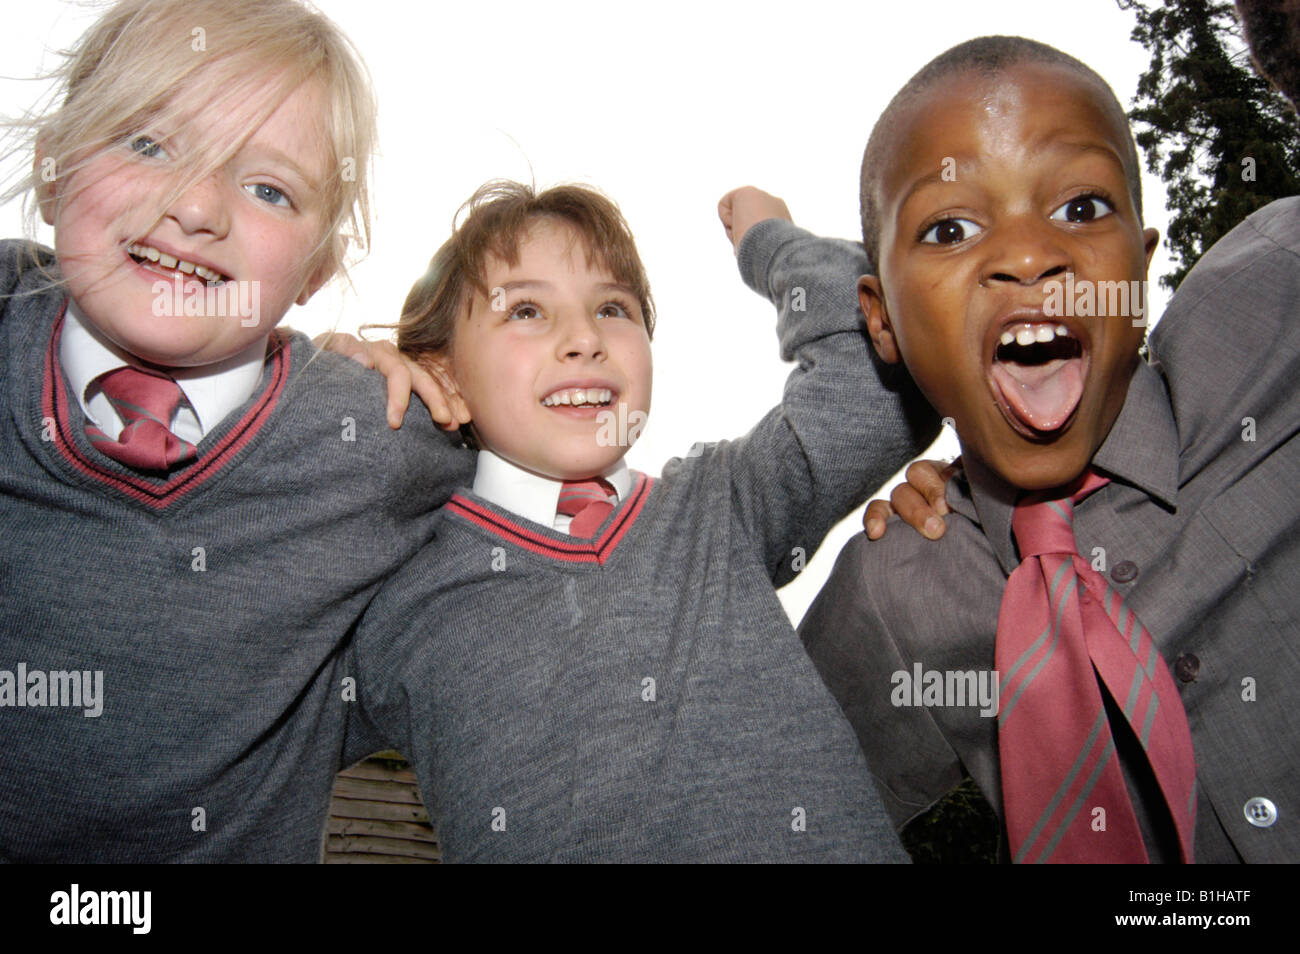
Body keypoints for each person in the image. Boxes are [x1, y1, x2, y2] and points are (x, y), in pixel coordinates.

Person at [797, 35, 1299, 863]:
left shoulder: (1272, 311)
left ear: (1138, 271)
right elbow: (749, 803)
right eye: (950, 226)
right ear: (882, 320)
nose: (1030, 256)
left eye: (1082, 208)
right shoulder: (896, 591)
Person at [0, 0, 472, 861]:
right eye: (148, 143)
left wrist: (445, 385)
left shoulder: (375, 440)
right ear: (53, 167)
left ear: (315, 269)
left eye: (267, 189)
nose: (195, 204)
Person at [343, 180, 936, 861]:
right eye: (528, 309)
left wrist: (770, 244)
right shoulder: (401, 600)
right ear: (442, 375)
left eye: (614, 308)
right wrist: (338, 407)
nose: (584, 337)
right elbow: (230, 693)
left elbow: (879, 385)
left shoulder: (724, 504)